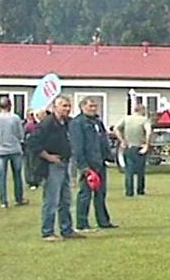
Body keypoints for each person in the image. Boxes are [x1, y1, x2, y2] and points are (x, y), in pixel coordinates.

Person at [28, 96, 83, 242]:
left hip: (65, 163)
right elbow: (32, 142)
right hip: (52, 166)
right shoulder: (47, 123)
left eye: (69, 106)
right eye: (64, 106)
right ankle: (47, 232)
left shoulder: (68, 123)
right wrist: (48, 156)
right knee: (51, 200)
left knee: (66, 199)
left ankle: (67, 229)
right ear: (55, 107)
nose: (67, 109)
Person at [70, 97, 118, 231]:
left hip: (100, 162)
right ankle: (82, 223)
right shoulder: (78, 123)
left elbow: (103, 139)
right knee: (85, 193)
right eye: (90, 106)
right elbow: (77, 146)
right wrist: (83, 166)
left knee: (101, 193)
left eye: (95, 106)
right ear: (82, 107)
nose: (93, 109)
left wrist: (108, 156)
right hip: (88, 163)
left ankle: (103, 221)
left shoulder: (97, 122)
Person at [0, 97, 27, 208]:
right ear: (10, 105)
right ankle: (19, 198)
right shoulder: (15, 118)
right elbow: (20, 134)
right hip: (15, 149)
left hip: (0, 150)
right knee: (17, 175)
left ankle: (3, 201)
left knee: (1, 177)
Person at [115, 103, 152, 197]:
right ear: (142, 110)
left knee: (129, 170)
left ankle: (129, 191)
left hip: (129, 146)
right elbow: (148, 132)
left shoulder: (126, 119)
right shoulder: (144, 120)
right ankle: (140, 190)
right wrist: (147, 144)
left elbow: (116, 128)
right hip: (140, 146)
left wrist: (122, 140)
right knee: (140, 171)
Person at [23, 110, 43, 189]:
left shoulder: (36, 124)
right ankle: (32, 181)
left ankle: (35, 180)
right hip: (30, 146)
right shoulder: (29, 124)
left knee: (34, 164)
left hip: (36, 146)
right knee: (30, 164)